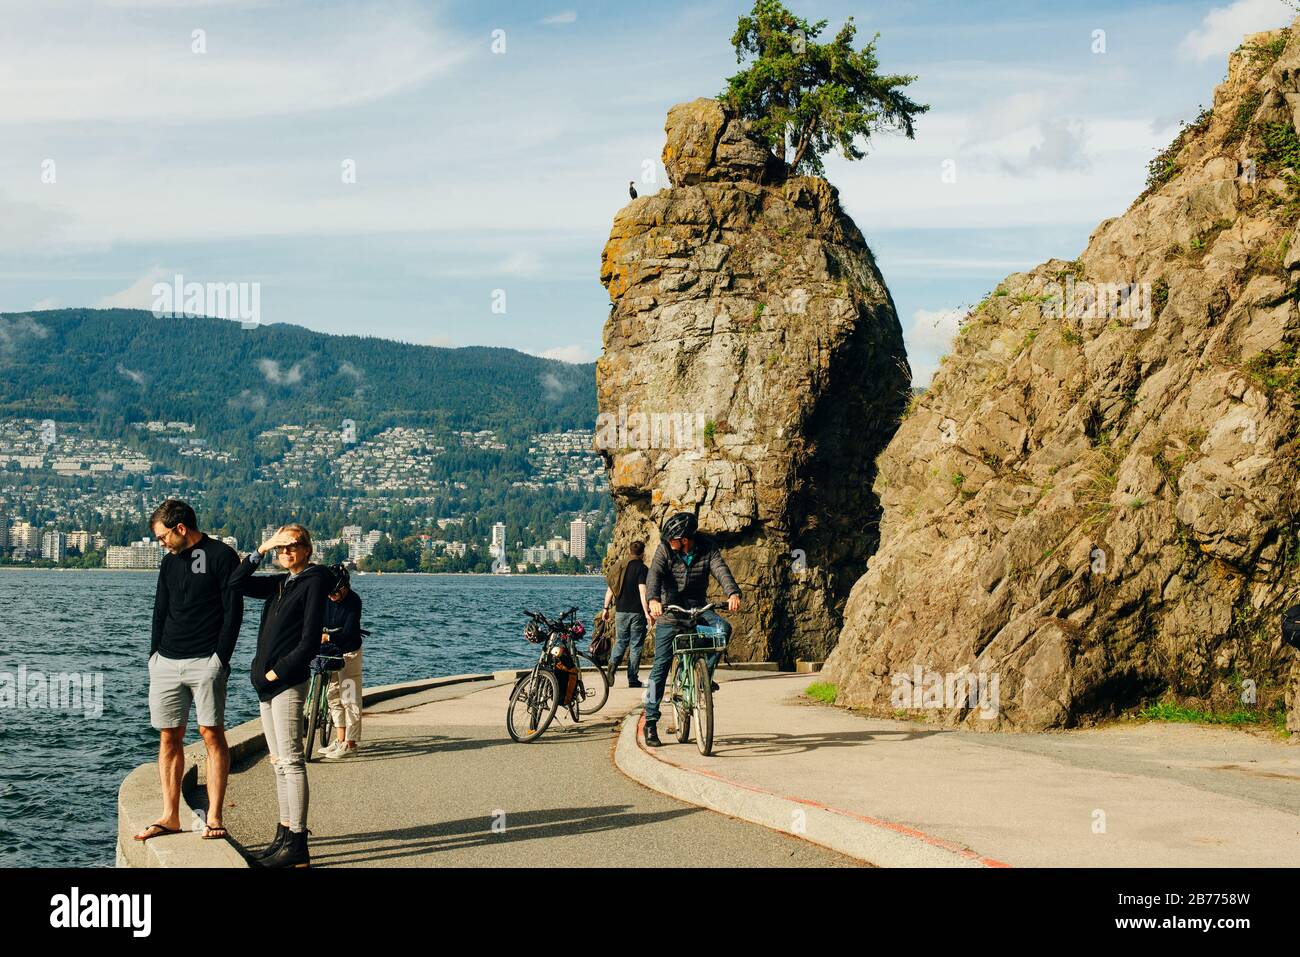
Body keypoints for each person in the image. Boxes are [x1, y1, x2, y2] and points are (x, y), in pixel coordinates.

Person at [134, 500, 243, 843]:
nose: (161, 542)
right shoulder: (169, 563)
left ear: (180, 528)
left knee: (211, 733)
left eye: (163, 536)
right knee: (169, 736)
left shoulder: (222, 556)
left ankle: (214, 815)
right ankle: (170, 816)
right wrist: (154, 656)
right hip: (166, 661)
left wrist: (219, 660)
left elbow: (232, 612)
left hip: (205, 662)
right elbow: (159, 610)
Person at [228, 524, 331, 868]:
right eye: (281, 549)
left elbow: (310, 639)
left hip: (286, 683)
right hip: (266, 685)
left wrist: (277, 671)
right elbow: (235, 582)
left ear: (307, 548)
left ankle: (298, 843)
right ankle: (283, 835)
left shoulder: (315, 580)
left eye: (292, 546)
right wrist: (265, 544)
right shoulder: (280, 582)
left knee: (291, 761)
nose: (285, 553)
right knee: (278, 764)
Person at [642, 512, 742, 748]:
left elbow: (720, 569)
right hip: (670, 610)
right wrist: (654, 599)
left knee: (722, 629)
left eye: (673, 538)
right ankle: (650, 722)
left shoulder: (707, 547)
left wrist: (732, 592)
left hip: (698, 607)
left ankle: (703, 677)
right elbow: (654, 575)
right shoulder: (665, 550)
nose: (669, 541)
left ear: (685, 538)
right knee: (660, 668)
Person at [319, 564, 364, 760]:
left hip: (349, 651)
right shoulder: (324, 596)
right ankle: (340, 739)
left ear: (345, 587)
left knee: (349, 696)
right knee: (332, 694)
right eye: (329, 593)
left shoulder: (354, 601)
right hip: (328, 650)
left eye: (335, 592)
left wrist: (328, 637)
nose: (332, 596)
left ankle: (351, 743)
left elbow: (350, 631)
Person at [598, 540, 649, 687]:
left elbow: (610, 590)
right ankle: (632, 679)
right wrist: (647, 612)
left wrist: (605, 608)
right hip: (637, 612)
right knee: (636, 645)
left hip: (620, 611)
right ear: (642, 553)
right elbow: (642, 592)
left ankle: (612, 665)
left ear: (629, 551)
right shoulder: (642, 569)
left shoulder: (619, 567)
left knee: (620, 641)